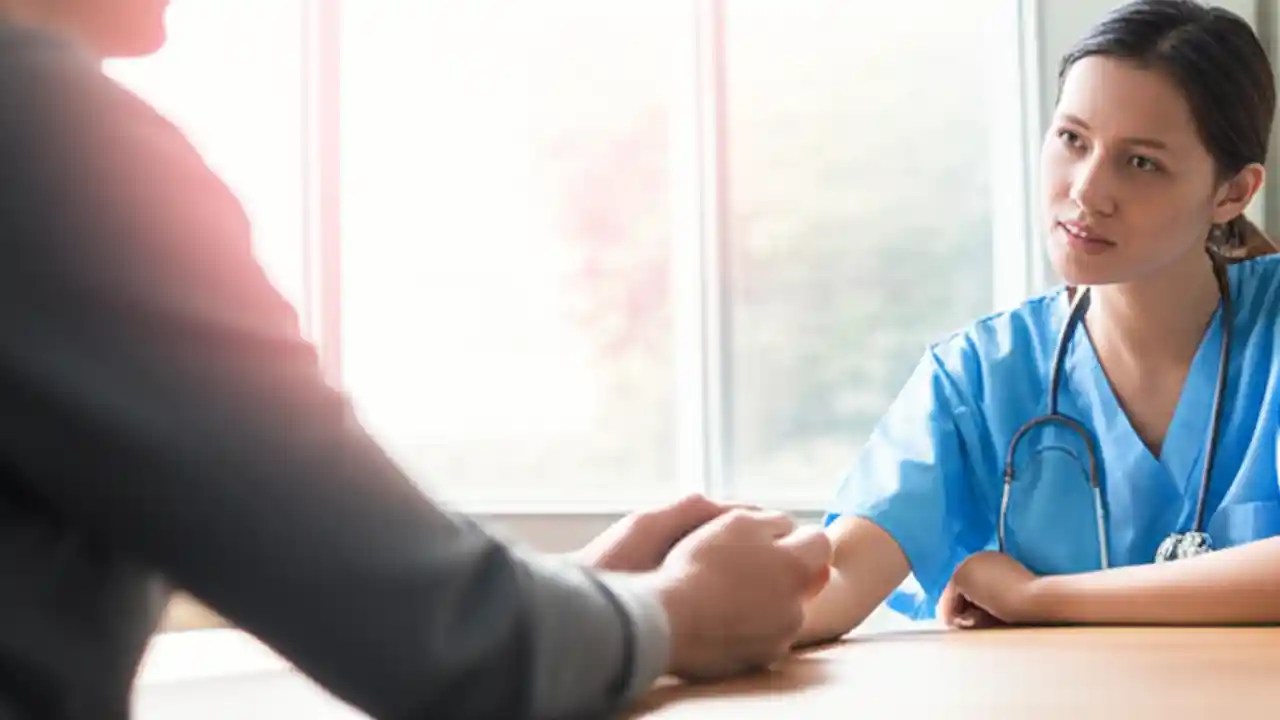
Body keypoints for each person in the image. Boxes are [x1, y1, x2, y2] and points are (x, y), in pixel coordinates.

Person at [0, 2, 831, 718]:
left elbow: (385, 600)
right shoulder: (47, 132)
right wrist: (684, 612)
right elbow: (437, 647)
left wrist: (561, 599)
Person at [801, 0, 1280, 644]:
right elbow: (833, 584)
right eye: (1072, 140)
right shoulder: (976, 378)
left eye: (1140, 162)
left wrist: (1041, 597)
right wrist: (649, 610)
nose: (1086, 190)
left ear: (1232, 193)